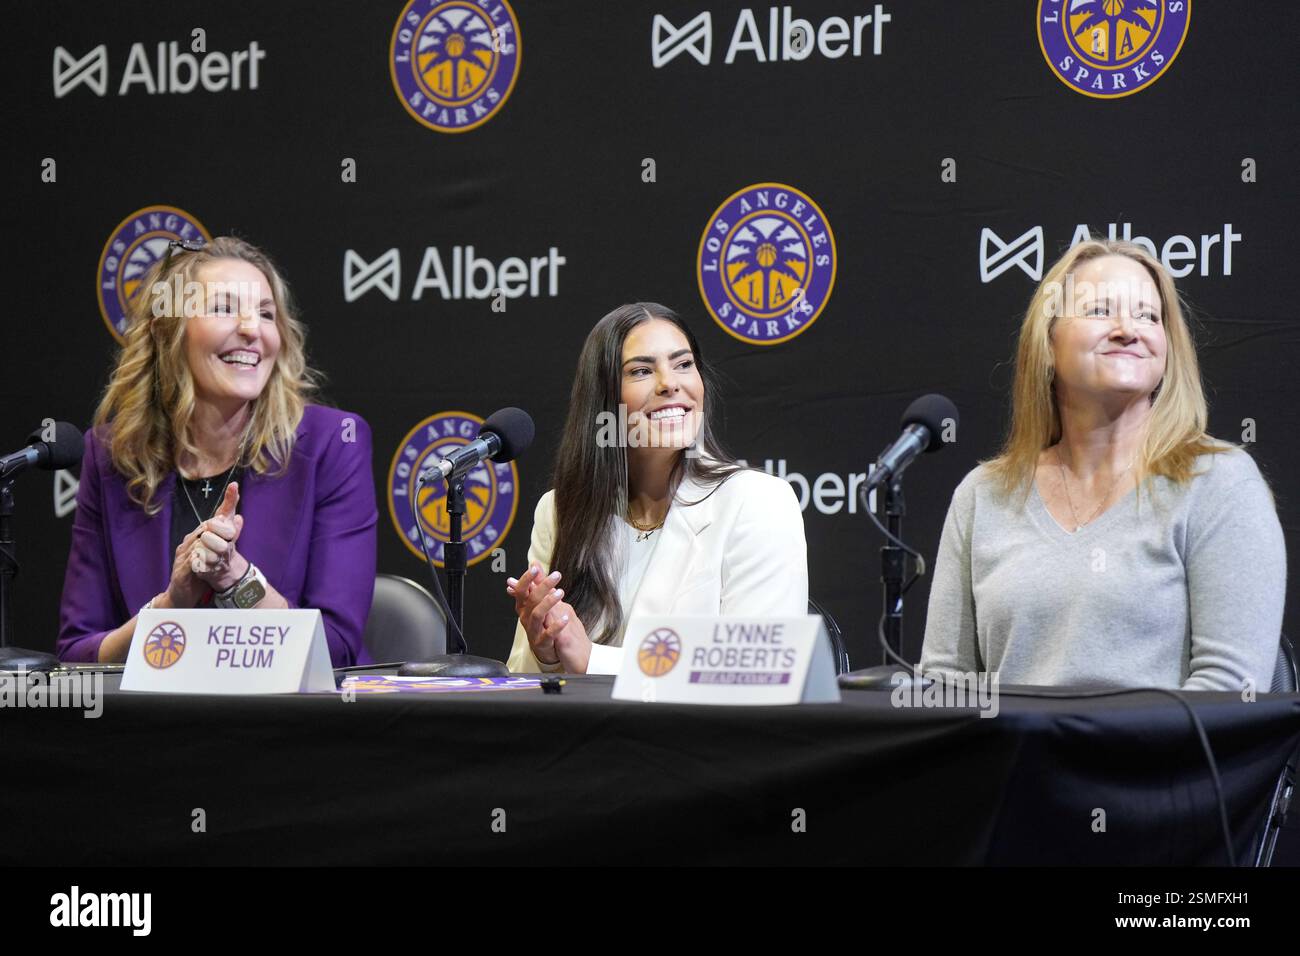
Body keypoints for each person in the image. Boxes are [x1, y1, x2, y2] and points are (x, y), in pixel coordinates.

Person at [920, 238, 1286, 691]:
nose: (1127, 330)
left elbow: (1229, 694)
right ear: (1048, 343)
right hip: (1010, 762)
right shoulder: (984, 495)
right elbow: (943, 687)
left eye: (1148, 316)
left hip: (1163, 762)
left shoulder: (1219, 483)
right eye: (1099, 311)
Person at [57, 236, 377, 667]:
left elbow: (336, 648)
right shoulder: (112, 455)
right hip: (151, 727)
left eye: (266, 314)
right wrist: (172, 606)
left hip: (291, 724)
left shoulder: (332, 443)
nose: (251, 329)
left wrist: (236, 579)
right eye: (225, 309)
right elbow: (79, 654)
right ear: (167, 329)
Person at [504, 303, 808, 674]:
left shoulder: (758, 501)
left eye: (683, 364)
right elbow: (521, 677)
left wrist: (593, 659)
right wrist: (547, 652)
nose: (670, 383)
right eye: (642, 371)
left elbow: (758, 671)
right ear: (603, 400)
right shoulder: (559, 511)